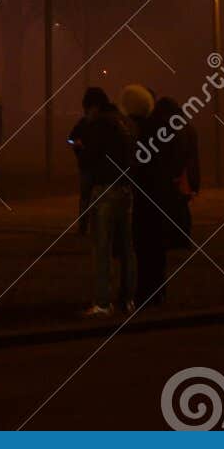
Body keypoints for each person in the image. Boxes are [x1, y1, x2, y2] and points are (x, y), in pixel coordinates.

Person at [72, 86, 136, 316]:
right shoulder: (125, 122)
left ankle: (102, 302)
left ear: (93, 107)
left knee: (102, 247)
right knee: (127, 248)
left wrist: (79, 149)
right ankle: (128, 299)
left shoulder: (99, 124)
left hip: (105, 188)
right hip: (126, 188)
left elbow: (89, 157)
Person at [124, 85, 184, 309]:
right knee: (157, 248)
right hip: (162, 194)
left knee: (144, 247)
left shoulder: (142, 130)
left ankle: (145, 292)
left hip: (145, 195)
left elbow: (137, 164)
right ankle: (158, 291)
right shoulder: (168, 129)